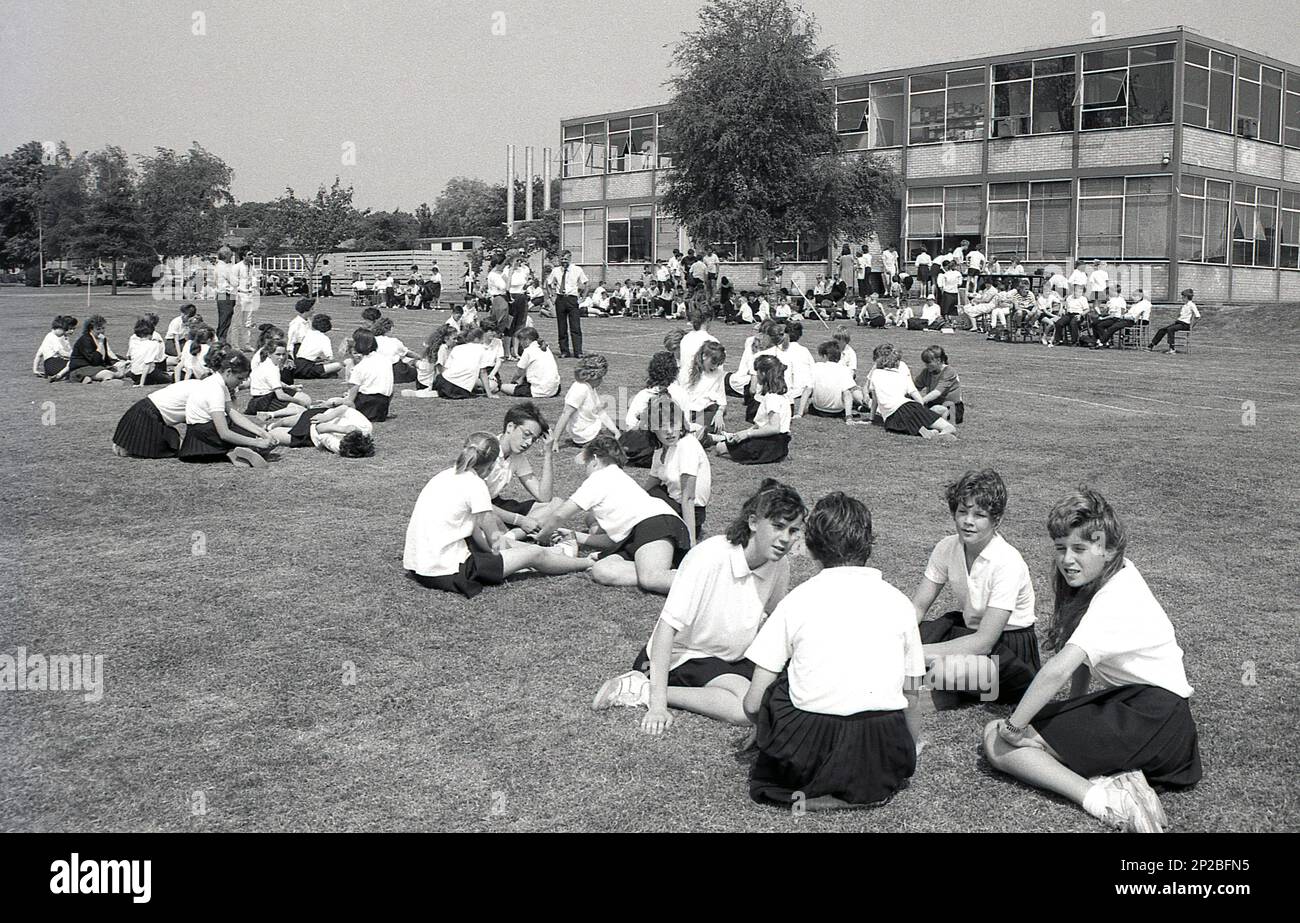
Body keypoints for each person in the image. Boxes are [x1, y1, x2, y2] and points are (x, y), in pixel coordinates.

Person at [983, 489, 1201, 832]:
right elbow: (1084, 661)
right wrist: (1073, 712)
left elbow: (1059, 669)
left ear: (1109, 549)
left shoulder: (1116, 595)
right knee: (1019, 736)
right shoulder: (1114, 575)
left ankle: (1106, 802)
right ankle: (1115, 778)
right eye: (1061, 548)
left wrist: (1015, 726)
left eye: (1079, 549)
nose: (1067, 560)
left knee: (996, 740)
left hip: (1153, 718)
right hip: (1150, 715)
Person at [744, 492, 924, 810]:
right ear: (869, 544)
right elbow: (912, 692)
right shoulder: (899, 602)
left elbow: (754, 701)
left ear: (812, 547)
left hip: (808, 751)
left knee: (781, 682)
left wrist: (764, 731)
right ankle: (863, 787)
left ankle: (815, 789)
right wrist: (907, 747)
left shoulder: (798, 600)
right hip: (881, 747)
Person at [592, 480, 805, 734]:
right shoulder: (710, 557)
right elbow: (665, 629)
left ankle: (650, 688)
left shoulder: (779, 565)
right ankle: (644, 689)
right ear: (753, 523)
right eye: (778, 527)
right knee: (745, 710)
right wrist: (658, 704)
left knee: (762, 701)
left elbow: (772, 624)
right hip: (683, 656)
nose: (785, 539)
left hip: (727, 658)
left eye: (793, 531)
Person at [403, 433, 594, 598]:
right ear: (493, 463)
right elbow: (495, 544)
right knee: (533, 554)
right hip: (447, 571)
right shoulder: (476, 485)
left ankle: (556, 555)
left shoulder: (444, 475)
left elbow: (478, 535)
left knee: (520, 551)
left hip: (419, 565)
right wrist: (525, 552)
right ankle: (586, 562)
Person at [912, 469, 1040, 710]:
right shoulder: (946, 547)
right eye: (962, 512)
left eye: (979, 514)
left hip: (1008, 648)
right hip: (968, 632)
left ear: (996, 520)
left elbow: (984, 643)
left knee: (945, 669)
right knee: (914, 634)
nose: (968, 521)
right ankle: (935, 687)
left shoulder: (1007, 561)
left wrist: (913, 654)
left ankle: (937, 692)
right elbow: (918, 607)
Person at [534, 435, 689, 596]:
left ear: (594, 459)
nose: (586, 469)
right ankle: (660, 566)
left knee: (651, 579)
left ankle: (705, 582)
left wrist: (542, 536)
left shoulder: (599, 478)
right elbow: (614, 540)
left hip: (656, 523)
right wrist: (575, 536)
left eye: (586, 464)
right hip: (640, 533)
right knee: (602, 570)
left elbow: (560, 515)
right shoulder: (619, 478)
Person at [177, 352, 277, 467]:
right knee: (251, 440)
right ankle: (235, 452)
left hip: (208, 428)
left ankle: (236, 452)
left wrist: (262, 433)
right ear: (229, 372)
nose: (242, 382)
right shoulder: (214, 389)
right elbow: (224, 433)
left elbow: (234, 414)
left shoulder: (219, 383)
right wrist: (257, 442)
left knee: (253, 437)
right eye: (239, 378)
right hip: (204, 433)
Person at [643, 394, 712, 547]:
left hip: (689, 512)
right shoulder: (660, 449)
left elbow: (688, 498)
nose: (669, 431)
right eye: (662, 426)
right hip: (670, 501)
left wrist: (691, 542)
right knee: (642, 505)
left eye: (673, 424)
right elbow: (652, 482)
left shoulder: (687, 445)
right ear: (653, 429)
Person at [866, 344, 958, 441]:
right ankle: (939, 434)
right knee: (949, 427)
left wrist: (871, 419)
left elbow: (875, 400)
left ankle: (932, 432)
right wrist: (923, 412)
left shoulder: (875, 374)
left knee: (920, 425)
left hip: (891, 421)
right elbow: (917, 397)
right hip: (908, 407)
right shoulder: (902, 376)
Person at [711, 354, 791, 464]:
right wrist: (745, 432)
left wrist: (748, 434)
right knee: (732, 441)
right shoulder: (782, 396)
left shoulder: (772, 398)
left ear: (763, 373)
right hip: (781, 445)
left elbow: (774, 428)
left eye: (757, 371)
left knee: (720, 448)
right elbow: (763, 424)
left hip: (770, 442)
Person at [112, 377, 202, 458]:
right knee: (185, 448)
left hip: (139, 411)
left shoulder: (192, 383)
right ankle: (131, 446)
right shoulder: (202, 392)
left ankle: (127, 444)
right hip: (148, 417)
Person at [553, 354, 619, 448]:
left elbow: (601, 413)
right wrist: (555, 440)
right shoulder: (580, 389)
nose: (602, 381)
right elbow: (565, 414)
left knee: (619, 427)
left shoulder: (590, 387)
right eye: (600, 378)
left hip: (592, 428)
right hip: (585, 434)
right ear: (593, 377)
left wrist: (616, 431)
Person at [434, 326, 497, 400]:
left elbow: (446, 369)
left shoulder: (457, 348)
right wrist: (489, 394)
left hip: (442, 383)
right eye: (482, 339)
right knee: (494, 385)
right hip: (459, 390)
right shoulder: (482, 349)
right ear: (477, 339)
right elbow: (483, 372)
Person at [547, 250, 587, 359]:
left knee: (575, 327)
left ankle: (578, 351)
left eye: (565, 259)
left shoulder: (577, 269)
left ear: (570, 258)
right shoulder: (555, 271)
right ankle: (564, 351)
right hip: (560, 299)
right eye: (561, 259)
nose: (563, 261)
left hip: (572, 299)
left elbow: (586, 283)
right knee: (562, 327)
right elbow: (549, 283)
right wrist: (552, 296)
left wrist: (583, 297)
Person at [503, 327, 561, 398]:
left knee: (502, 387)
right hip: (555, 389)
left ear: (527, 340)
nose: (520, 344)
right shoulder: (545, 348)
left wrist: (512, 382)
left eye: (521, 341)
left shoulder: (528, 351)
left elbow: (518, 372)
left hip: (540, 390)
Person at [67, 315, 126, 383]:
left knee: (120, 371)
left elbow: (105, 358)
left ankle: (88, 378)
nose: (101, 331)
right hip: (81, 368)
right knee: (107, 373)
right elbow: (95, 360)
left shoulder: (102, 339)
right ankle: (105, 380)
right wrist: (100, 344)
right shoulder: (85, 340)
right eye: (98, 329)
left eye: (103, 328)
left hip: (95, 367)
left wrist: (114, 365)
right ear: (91, 329)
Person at [913, 345, 963, 423]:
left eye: (928, 362)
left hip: (952, 407)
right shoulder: (926, 372)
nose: (926, 365)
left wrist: (920, 401)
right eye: (925, 363)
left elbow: (937, 393)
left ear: (938, 360)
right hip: (932, 404)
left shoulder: (949, 372)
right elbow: (914, 388)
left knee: (934, 411)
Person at [1149, 288, 1200, 354]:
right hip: (1179, 323)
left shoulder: (1192, 305)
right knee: (1163, 330)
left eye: (1183, 297)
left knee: (1170, 329)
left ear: (1187, 297)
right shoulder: (1184, 305)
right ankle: (1151, 345)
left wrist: (1191, 326)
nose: (1182, 298)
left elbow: (1198, 316)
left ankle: (1172, 349)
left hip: (1185, 324)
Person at [295, 314, 345, 378]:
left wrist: (321, 360)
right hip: (308, 368)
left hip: (297, 366)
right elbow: (330, 358)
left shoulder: (308, 333)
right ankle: (323, 374)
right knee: (338, 365)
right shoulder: (324, 339)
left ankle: (324, 374)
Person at [213, 245, 237, 343]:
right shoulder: (225, 267)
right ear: (227, 256)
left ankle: (221, 338)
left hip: (221, 293)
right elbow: (234, 282)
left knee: (224, 317)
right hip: (227, 294)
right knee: (226, 318)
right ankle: (221, 339)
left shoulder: (217, 266)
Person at [236, 251, 258, 350]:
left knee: (248, 322)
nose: (251, 256)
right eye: (249, 254)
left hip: (249, 294)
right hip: (240, 294)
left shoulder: (252, 267)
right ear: (243, 256)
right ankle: (235, 345)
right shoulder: (237, 267)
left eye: (252, 254)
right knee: (237, 322)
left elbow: (254, 280)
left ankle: (246, 344)